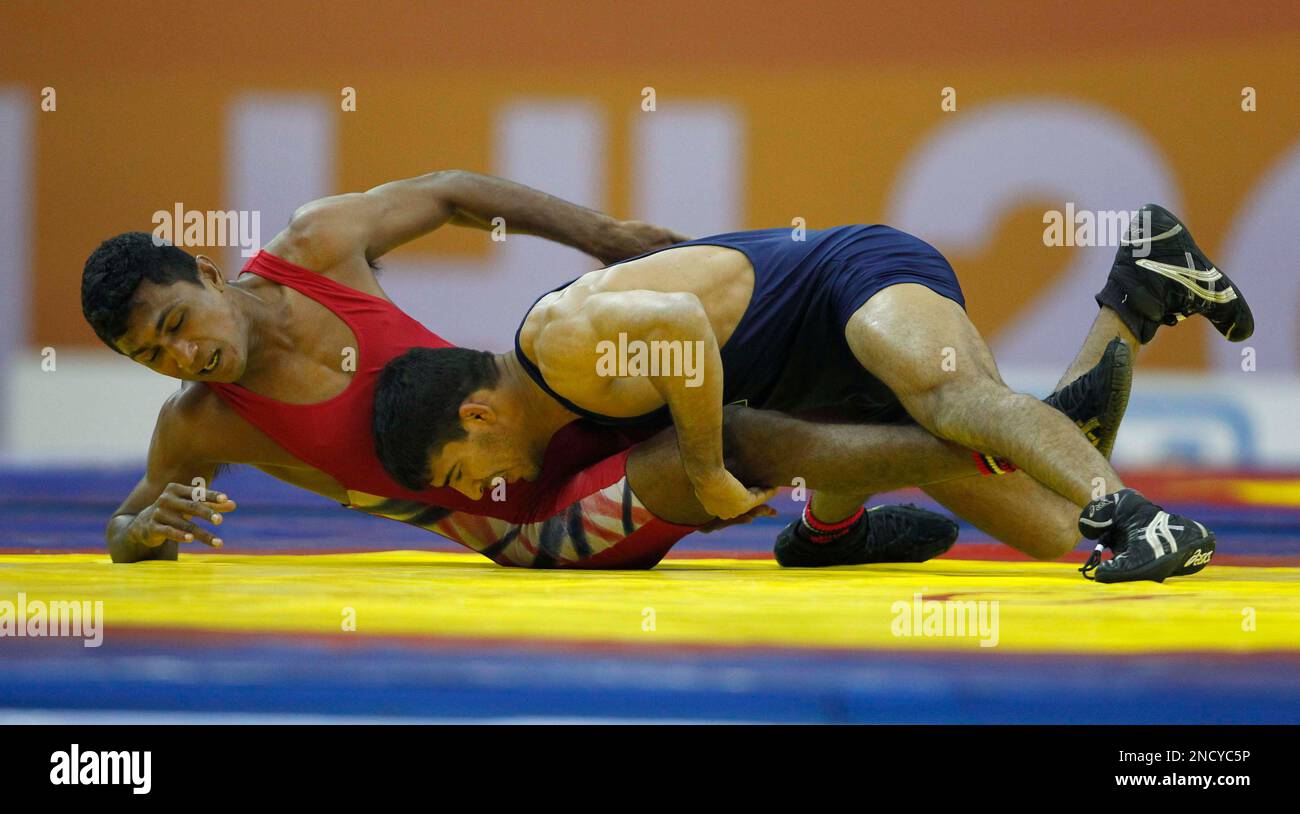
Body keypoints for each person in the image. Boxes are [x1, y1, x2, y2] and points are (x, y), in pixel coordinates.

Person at [373, 205, 1253, 582]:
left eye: (459, 471)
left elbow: (681, 321)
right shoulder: (555, 416)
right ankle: (1137, 294)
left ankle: (1147, 517)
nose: (473, 494)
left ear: (477, 413)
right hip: (816, 381)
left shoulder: (555, 342)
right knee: (1057, 530)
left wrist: (710, 470)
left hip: (849, 281)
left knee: (955, 403)